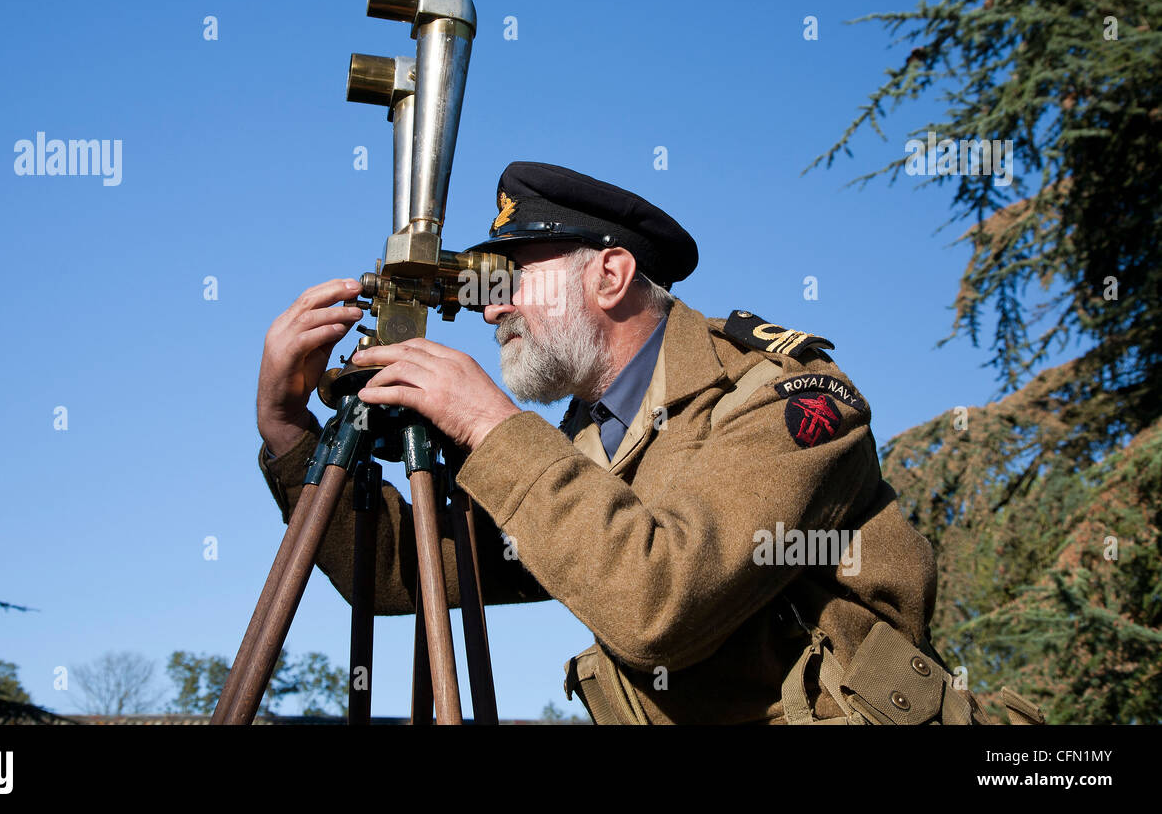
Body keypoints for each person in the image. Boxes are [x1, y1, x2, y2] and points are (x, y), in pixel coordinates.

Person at [254, 161, 1003, 724]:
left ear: (611, 274)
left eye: (512, 277)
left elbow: (662, 605)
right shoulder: (588, 447)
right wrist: (289, 428)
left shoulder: (786, 400)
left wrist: (488, 426)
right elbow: (398, 572)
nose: (491, 311)